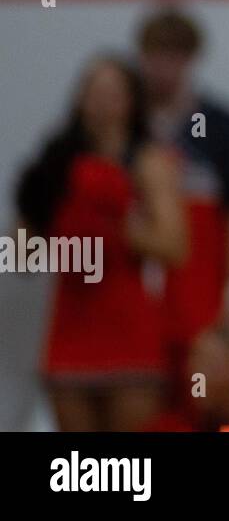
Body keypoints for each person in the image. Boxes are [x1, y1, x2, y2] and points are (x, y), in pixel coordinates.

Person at [15, 56, 186, 431]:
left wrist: (117, 224)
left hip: (127, 326)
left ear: (131, 102)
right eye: (93, 91)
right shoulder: (54, 165)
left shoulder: (147, 162)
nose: (101, 102)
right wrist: (37, 209)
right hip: (71, 323)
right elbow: (20, 258)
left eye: (112, 93)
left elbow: (175, 245)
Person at [135, 8, 229, 406]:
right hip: (138, 296)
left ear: (191, 60)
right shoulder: (127, 125)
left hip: (201, 294)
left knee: (201, 400)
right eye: (155, 55)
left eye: (174, 56)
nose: (163, 67)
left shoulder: (221, 127)